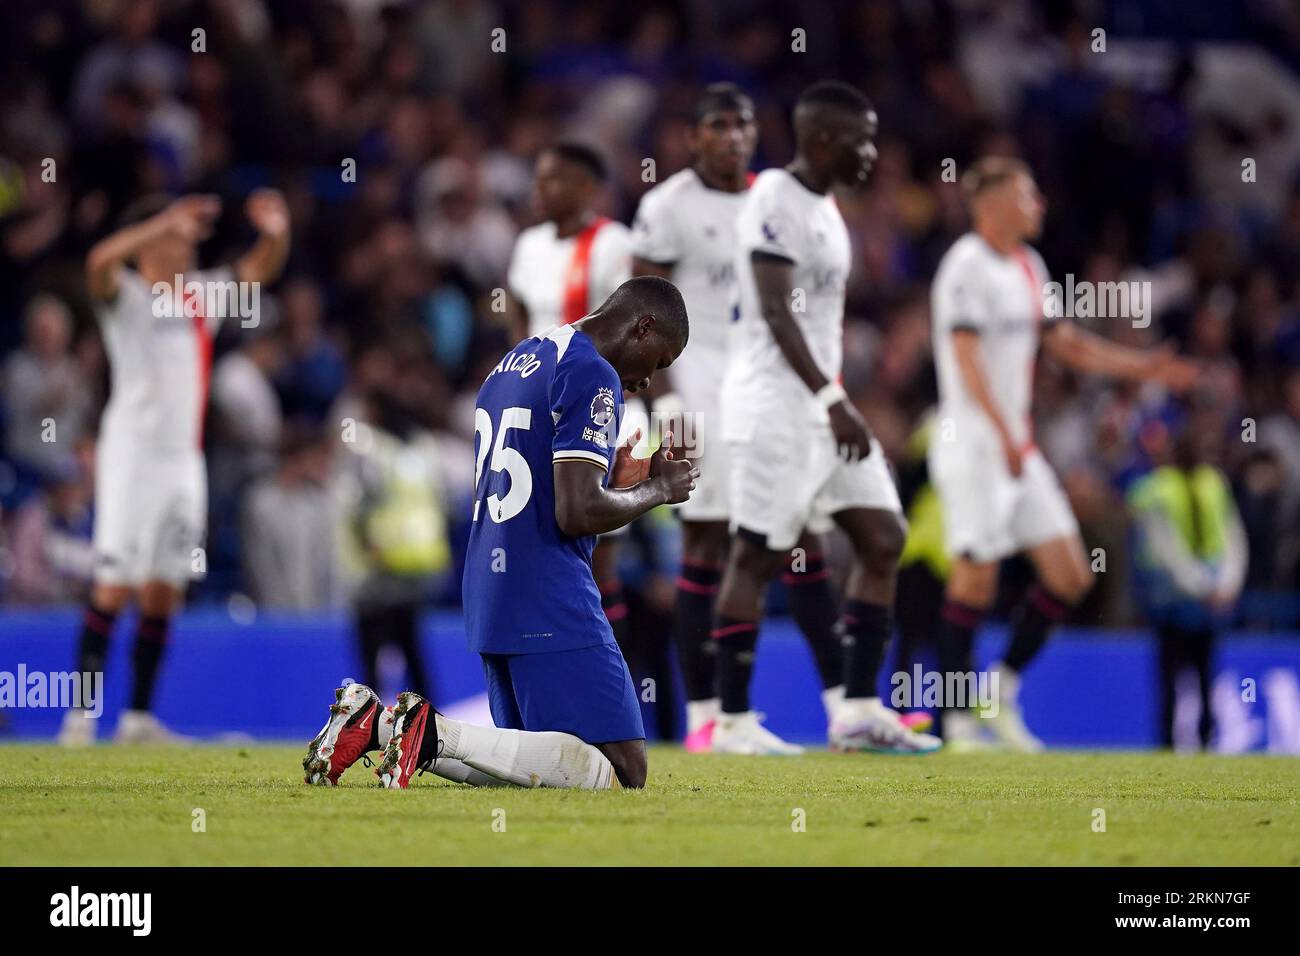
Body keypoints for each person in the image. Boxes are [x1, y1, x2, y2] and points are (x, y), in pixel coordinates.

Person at [302, 276, 697, 790]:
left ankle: (377, 726)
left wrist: (612, 483)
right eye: (660, 361)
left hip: (491, 585)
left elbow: (553, 488)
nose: (648, 382)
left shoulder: (515, 362)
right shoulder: (592, 373)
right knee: (624, 770)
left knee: (527, 768)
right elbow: (576, 513)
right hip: (548, 585)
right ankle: (432, 735)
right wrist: (659, 490)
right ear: (643, 327)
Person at [929, 156, 1197, 751]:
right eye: (1028, 195)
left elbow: (1066, 344)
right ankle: (953, 721)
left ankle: (998, 690)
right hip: (974, 443)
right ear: (992, 202)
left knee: (1070, 574)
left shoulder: (1029, 265)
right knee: (973, 584)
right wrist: (1001, 432)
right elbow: (966, 357)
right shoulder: (964, 267)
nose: (1039, 205)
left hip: (1017, 444)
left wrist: (1141, 366)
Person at [713, 81, 941, 755]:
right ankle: (730, 722)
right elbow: (777, 311)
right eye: (861, 139)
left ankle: (859, 711)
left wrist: (832, 398)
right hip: (776, 405)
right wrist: (830, 399)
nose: (872, 153)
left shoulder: (829, 209)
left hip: (820, 404)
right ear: (821, 140)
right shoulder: (774, 199)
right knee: (756, 555)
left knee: (882, 536)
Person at [632, 83, 846, 752]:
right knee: (707, 546)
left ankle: (845, 708)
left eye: (743, 124)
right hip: (695, 394)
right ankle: (706, 717)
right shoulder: (666, 207)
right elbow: (641, 311)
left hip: (768, 395)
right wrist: (661, 403)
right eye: (718, 124)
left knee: (803, 538)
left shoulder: (772, 204)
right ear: (694, 136)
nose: (732, 135)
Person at [58, 189, 290, 746]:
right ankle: (79, 717)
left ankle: (137, 719)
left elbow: (257, 270)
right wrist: (161, 221)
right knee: (113, 586)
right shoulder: (128, 297)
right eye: (178, 237)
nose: (188, 246)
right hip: (131, 457)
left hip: (184, 462)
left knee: (163, 590)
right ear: (152, 242)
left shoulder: (200, 297)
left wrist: (277, 232)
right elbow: (97, 262)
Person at [505, 142, 640, 658]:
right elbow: (516, 306)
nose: (539, 191)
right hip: (535, 409)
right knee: (540, 548)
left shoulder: (612, 245)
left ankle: (615, 682)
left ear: (587, 188)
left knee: (595, 554)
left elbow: (629, 326)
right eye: (538, 179)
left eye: (553, 180)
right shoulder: (528, 247)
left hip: (590, 406)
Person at [1128, 408, 1247, 749]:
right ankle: (1167, 743)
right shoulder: (1155, 490)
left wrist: (1227, 583)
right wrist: (1204, 586)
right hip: (1171, 598)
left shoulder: (1214, 483)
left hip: (1208, 595)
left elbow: (1231, 536)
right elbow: (1166, 548)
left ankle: (1206, 739)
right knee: (1170, 676)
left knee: (1206, 673)